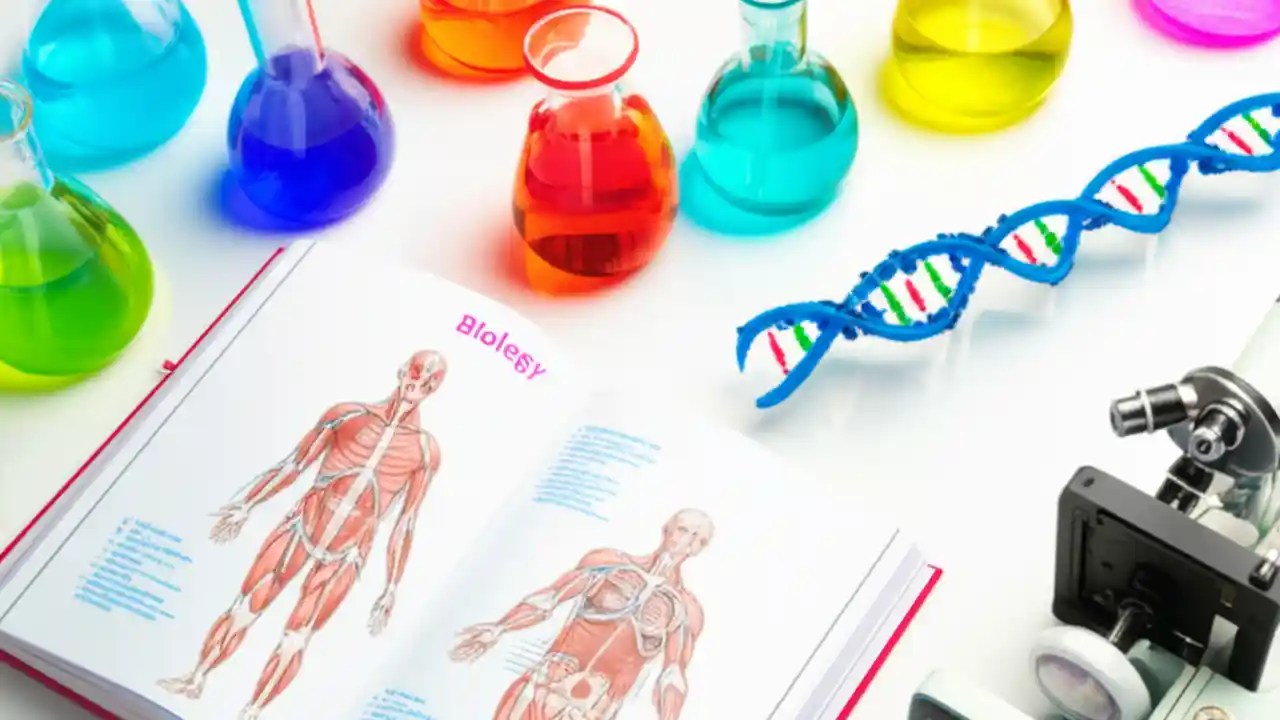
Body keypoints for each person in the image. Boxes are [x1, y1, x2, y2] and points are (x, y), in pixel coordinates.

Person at [159, 350, 447, 719]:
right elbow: (294, 464)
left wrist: (391, 586)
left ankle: (250, 713)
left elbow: (406, 521)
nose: (416, 386)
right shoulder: (346, 415)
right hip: (302, 525)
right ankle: (196, 679)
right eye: (416, 374)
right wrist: (246, 504)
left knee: (297, 636)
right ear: (402, 370)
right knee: (245, 607)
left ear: (433, 390)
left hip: (348, 551)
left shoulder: (424, 450)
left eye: (428, 383)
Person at [450, 509, 713, 719]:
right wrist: (500, 628)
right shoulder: (608, 562)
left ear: (700, 549)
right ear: (666, 528)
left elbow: (673, 674)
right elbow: (549, 599)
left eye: (698, 539)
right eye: (684, 530)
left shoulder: (686, 609)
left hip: (593, 708)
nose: (687, 541)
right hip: (545, 685)